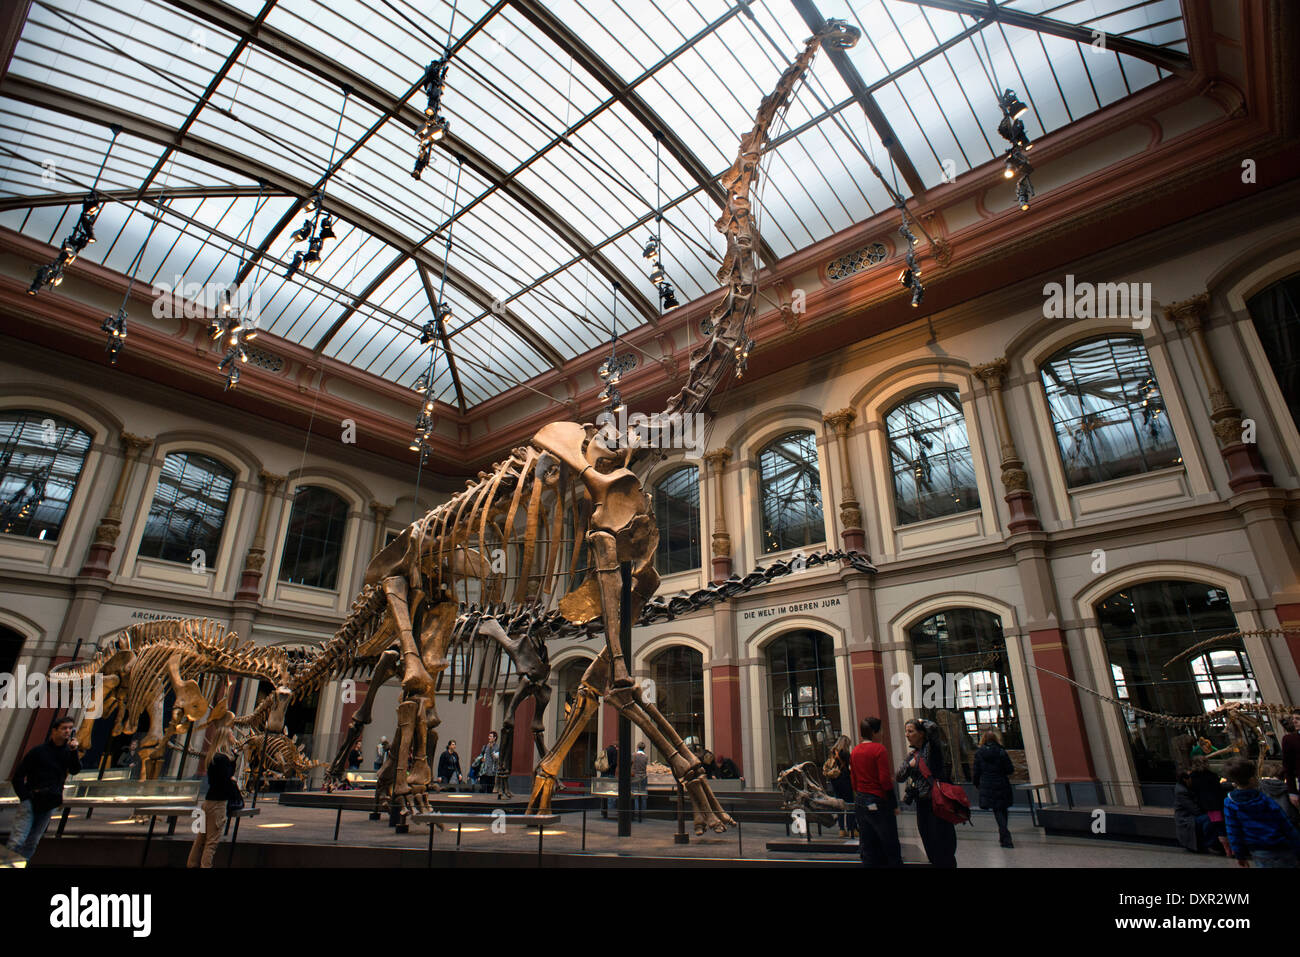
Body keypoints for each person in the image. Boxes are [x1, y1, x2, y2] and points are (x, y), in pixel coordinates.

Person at [7, 716, 83, 862]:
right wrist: (25, 797)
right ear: (54, 731)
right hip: (31, 800)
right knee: (17, 840)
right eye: (64, 728)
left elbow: (75, 770)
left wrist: (74, 751)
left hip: (49, 803)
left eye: (70, 728)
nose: (67, 731)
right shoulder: (38, 751)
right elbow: (18, 775)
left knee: (32, 841)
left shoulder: (68, 753)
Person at [897, 717, 957, 868]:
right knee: (928, 840)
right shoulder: (912, 755)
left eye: (910, 731)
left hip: (937, 803)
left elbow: (934, 730)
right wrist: (911, 766)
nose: (906, 734)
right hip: (922, 803)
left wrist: (922, 721)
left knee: (942, 842)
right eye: (906, 731)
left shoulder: (932, 749)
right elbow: (899, 775)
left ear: (921, 734)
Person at [1222, 755, 1300, 867]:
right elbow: (1285, 823)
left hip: (1258, 849)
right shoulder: (1263, 799)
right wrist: (1297, 846)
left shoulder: (1230, 803)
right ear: (1252, 778)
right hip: (1280, 845)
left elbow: (1233, 830)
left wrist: (1239, 854)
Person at [851, 716, 901, 867]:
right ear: (874, 732)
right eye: (881, 730)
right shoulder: (879, 749)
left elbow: (853, 779)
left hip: (860, 800)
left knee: (867, 843)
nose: (883, 733)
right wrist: (893, 803)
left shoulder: (855, 751)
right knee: (889, 842)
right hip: (878, 800)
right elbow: (884, 780)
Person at [188, 738, 240, 868]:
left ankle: (191, 864)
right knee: (211, 843)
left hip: (208, 802)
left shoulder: (212, 758)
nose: (234, 739)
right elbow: (226, 779)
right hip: (217, 804)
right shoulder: (222, 759)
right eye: (231, 736)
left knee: (200, 839)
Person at [971, 727, 1015, 848]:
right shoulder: (1001, 751)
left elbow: (976, 770)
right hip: (1001, 782)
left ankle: (1004, 834)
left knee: (998, 809)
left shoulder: (979, 753)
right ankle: (1004, 833)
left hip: (987, 783)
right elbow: (1009, 769)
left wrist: (976, 783)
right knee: (1002, 808)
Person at [1187, 757, 1229, 853]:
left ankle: (1221, 847)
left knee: (1215, 825)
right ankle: (1227, 849)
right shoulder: (1211, 775)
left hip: (1204, 806)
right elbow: (1218, 789)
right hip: (1216, 805)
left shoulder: (1192, 777)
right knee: (1220, 827)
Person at [827, 734, 854, 837]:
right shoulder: (845, 754)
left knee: (839, 805)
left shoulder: (833, 752)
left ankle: (841, 829)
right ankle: (851, 827)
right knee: (849, 803)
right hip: (844, 780)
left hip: (835, 781)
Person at [1282, 713, 1300, 824]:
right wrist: (1292, 791)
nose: (1294, 721)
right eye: (1293, 719)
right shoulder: (1289, 739)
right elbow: (1288, 767)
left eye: (1298, 719)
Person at [631, 743, 649, 820]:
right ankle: (643, 810)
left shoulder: (634, 755)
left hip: (636, 776)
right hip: (644, 776)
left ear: (637, 747)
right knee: (643, 792)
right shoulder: (646, 756)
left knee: (635, 794)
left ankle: (636, 810)